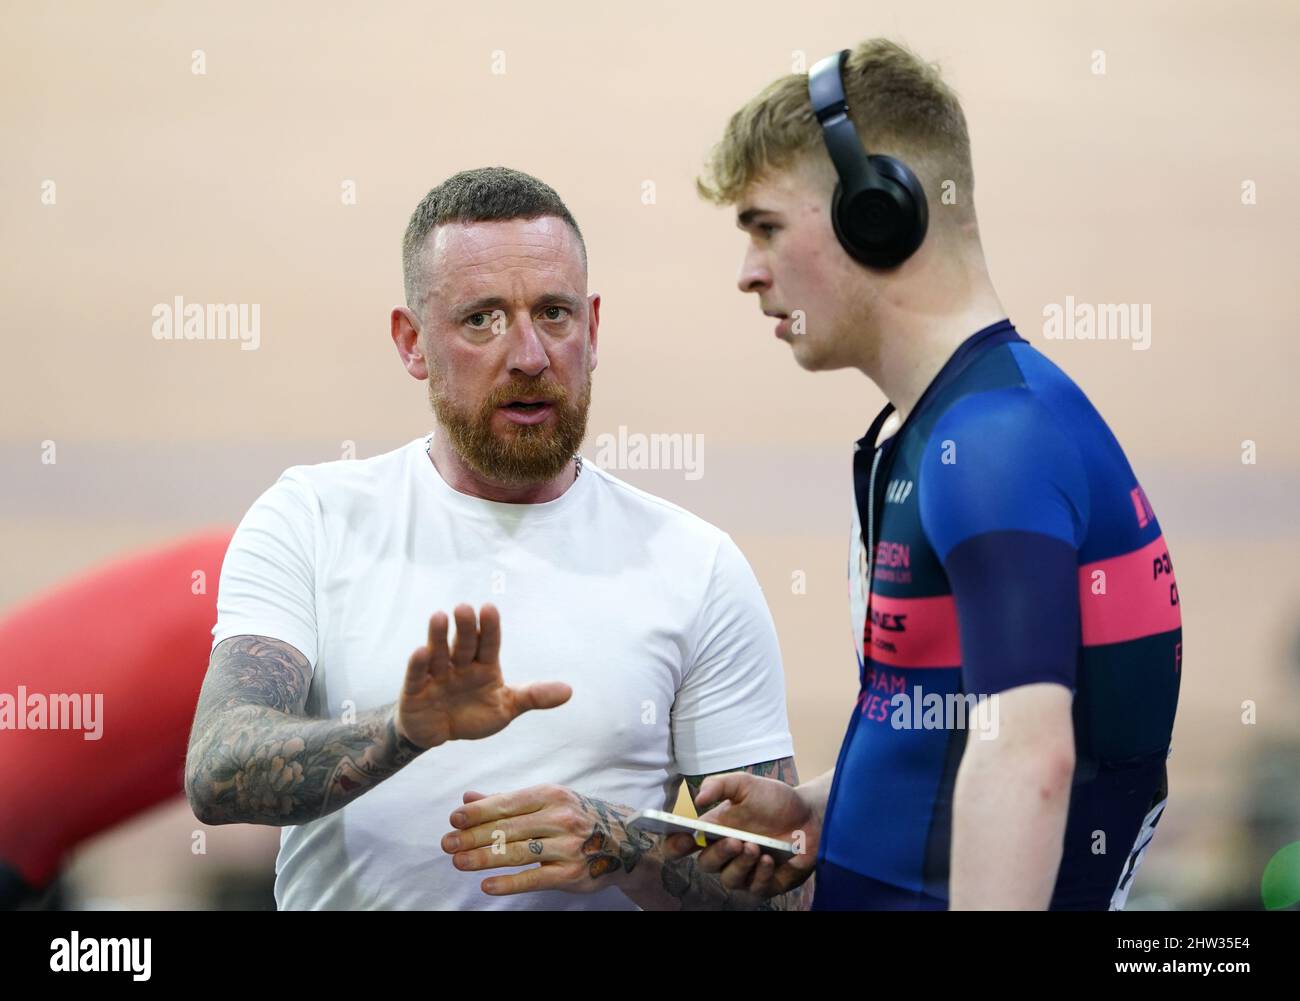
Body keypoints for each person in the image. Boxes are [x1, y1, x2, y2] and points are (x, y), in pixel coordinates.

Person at [184, 166, 802, 911]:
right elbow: (217, 771)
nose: (530, 356)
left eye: (554, 313)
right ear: (411, 342)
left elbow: (782, 891)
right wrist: (400, 732)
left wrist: (627, 845)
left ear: (593, 328)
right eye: (482, 318)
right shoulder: (312, 518)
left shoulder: (696, 566)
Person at [665, 39, 1182, 910]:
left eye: (766, 226)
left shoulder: (992, 441)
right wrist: (830, 807)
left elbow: (1031, 757)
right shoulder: (957, 424)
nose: (749, 272)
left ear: (879, 210)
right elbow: (956, 718)